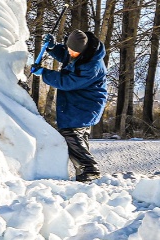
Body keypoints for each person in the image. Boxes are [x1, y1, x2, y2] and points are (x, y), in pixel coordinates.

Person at [32, 28, 106, 182]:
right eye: (69, 49)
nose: (70, 53)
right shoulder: (81, 53)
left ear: (82, 50)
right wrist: (53, 48)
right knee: (78, 136)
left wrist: (44, 73)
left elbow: (68, 81)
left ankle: (89, 169)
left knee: (70, 133)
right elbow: (66, 55)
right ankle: (84, 172)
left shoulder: (92, 65)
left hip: (86, 104)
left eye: (73, 51)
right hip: (78, 102)